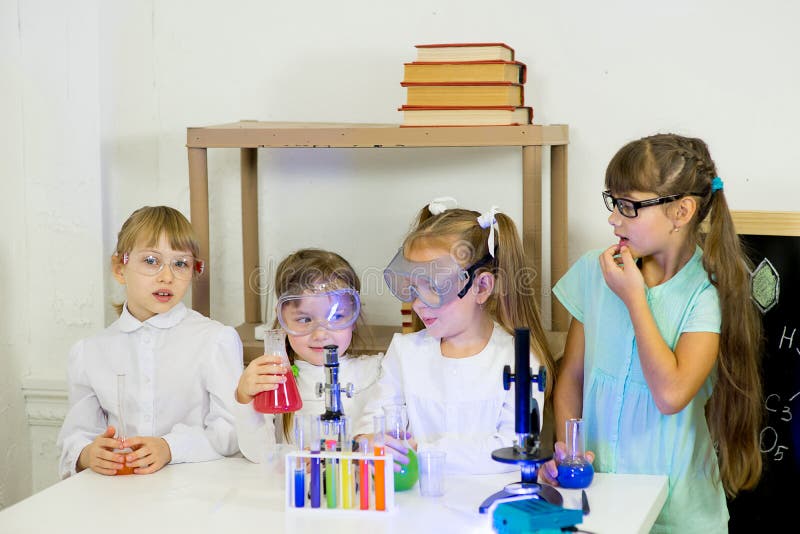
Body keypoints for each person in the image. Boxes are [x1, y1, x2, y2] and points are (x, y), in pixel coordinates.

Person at [541, 134, 763, 533]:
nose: (613, 219)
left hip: (678, 519)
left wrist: (634, 300)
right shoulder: (596, 270)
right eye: (613, 203)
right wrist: (570, 456)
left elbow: (671, 395)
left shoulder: (704, 294)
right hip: (599, 507)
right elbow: (571, 380)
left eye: (629, 206)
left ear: (682, 211)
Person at [354, 198, 556, 474]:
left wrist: (421, 452)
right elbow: (372, 426)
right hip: (413, 509)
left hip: (490, 509)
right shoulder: (404, 352)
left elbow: (515, 447)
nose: (418, 303)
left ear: (482, 286)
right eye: (413, 286)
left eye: (434, 286)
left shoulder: (518, 357)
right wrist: (369, 441)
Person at [57, 206, 243, 478]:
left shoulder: (215, 340)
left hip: (195, 495)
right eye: (151, 261)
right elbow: (75, 437)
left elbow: (232, 430)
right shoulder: (90, 352)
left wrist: (170, 448)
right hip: (117, 497)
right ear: (120, 268)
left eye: (181, 263)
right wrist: (87, 453)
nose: (167, 276)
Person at [235, 249, 383, 460]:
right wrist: (245, 398)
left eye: (336, 316)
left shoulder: (375, 373)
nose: (321, 333)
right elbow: (258, 455)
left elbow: (377, 444)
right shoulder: (276, 380)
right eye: (304, 320)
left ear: (354, 316)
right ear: (282, 319)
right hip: (295, 488)